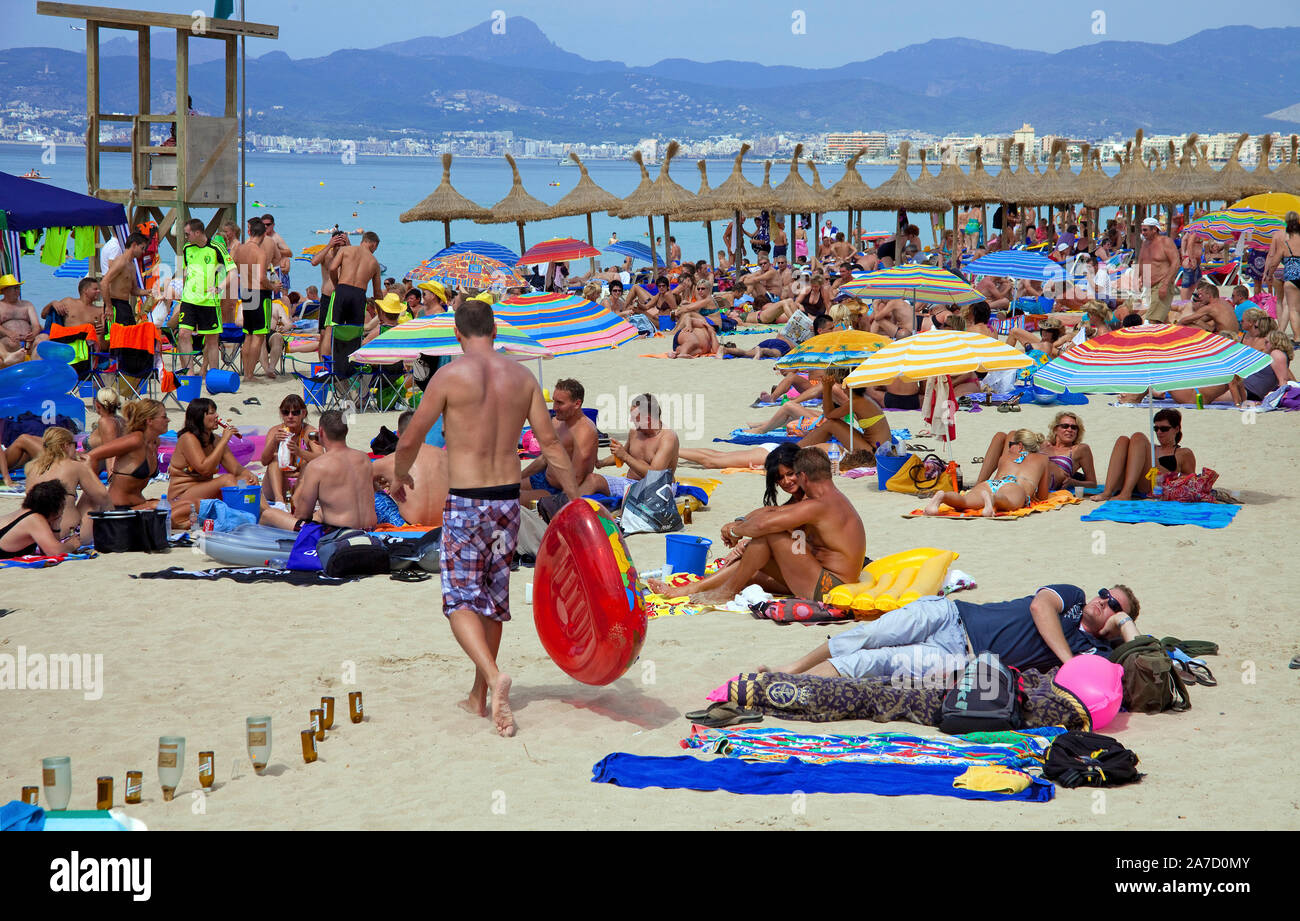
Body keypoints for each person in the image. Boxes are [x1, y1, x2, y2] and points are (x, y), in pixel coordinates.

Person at [391, 298, 581, 737]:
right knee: (493, 600)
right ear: (495, 330)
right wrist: (572, 500)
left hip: (467, 504)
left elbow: (410, 440)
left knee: (459, 599)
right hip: (507, 504)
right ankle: (479, 695)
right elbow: (551, 446)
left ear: (457, 334)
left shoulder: (448, 377)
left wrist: (400, 479)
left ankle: (495, 679)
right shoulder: (522, 377)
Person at [761, 583, 1139, 681]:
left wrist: (1124, 626)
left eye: (1114, 606)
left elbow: (1138, 658)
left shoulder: (1096, 652)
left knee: (875, 662)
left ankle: (795, 685)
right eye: (1105, 594)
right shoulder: (1071, 598)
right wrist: (1066, 659)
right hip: (950, 614)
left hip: (959, 659)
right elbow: (1040, 607)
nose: (1103, 601)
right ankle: (791, 670)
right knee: (866, 634)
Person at [648, 448, 866, 604]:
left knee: (768, 536)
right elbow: (772, 513)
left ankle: (727, 591)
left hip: (829, 587)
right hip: (821, 576)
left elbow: (764, 524)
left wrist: (734, 531)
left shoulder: (817, 505)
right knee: (750, 570)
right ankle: (690, 589)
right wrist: (740, 524)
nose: (788, 481)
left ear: (803, 476)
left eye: (792, 474)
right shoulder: (829, 498)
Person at [260, 410, 376, 532]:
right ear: (346, 431)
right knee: (321, 513)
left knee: (269, 514)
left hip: (337, 533)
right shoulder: (364, 458)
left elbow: (303, 514)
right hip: (369, 529)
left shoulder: (318, 465)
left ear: (320, 432)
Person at [85, 399, 188, 524]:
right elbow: (92, 456)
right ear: (149, 421)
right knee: (171, 509)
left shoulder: (155, 442)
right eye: (164, 417)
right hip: (117, 509)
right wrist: (97, 494)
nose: (168, 420)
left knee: (189, 504)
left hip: (139, 505)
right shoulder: (135, 440)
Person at [925, 428, 1052, 516]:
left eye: (1010, 444)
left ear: (1019, 446)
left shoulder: (1006, 456)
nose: (1008, 447)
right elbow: (1043, 496)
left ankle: (942, 496)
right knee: (1009, 502)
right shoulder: (1043, 458)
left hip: (992, 483)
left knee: (965, 502)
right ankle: (993, 499)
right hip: (1014, 486)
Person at [167, 398, 258, 517]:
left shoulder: (215, 440)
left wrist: (250, 476)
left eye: (216, 412)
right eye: (212, 413)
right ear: (199, 416)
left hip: (205, 490)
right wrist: (225, 440)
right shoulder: (188, 438)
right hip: (182, 495)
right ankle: (244, 516)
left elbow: (236, 469)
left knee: (245, 482)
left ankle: (262, 512)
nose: (217, 416)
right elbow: (204, 469)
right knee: (227, 479)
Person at [21, 427, 107, 547]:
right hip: (68, 537)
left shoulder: (32, 468)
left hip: (37, 538)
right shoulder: (74, 466)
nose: (77, 449)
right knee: (91, 496)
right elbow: (103, 496)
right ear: (66, 446)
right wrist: (88, 469)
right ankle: (112, 526)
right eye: (75, 444)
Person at [519, 378, 598, 503]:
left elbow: (577, 478)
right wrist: (518, 477)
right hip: (543, 478)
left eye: (560, 403)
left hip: (558, 490)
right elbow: (545, 458)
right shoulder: (557, 422)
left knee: (512, 499)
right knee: (502, 489)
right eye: (554, 401)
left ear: (577, 404)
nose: (554, 408)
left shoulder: (585, 432)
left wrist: (557, 502)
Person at [590, 393, 680, 502]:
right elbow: (622, 455)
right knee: (592, 480)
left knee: (633, 498)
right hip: (630, 484)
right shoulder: (634, 432)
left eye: (635, 418)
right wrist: (600, 463)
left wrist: (625, 456)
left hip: (658, 489)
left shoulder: (667, 438)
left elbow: (655, 477)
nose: (631, 421)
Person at [976, 412, 1096, 492]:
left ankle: (999, 482)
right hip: (1027, 469)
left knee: (1040, 459)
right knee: (1002, 436)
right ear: (1055, 429)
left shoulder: (1079, 449)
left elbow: (1092, 483)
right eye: (1065, 426)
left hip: (1047, 478)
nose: (1069, 430)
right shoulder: (1044, 444)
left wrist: (1073, 482)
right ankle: (979, 484)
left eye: (1074, 427)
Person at [1092, 409, 1195, 501]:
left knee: (1138, 437)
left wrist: (1171, 476)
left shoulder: (1183, 453)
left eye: (1164, 429)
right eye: (1156, 429)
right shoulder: (1151, 447)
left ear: (1176, 429)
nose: (1159, 432)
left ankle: (1125, 493)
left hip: (1156, 488)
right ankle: (1107, 492)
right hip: (1134, 484)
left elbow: (1191, 482)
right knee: (1122, 440)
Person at [369, 409, 449, 527]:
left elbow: (359, 481)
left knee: (370, 490)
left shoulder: (389, 461)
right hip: (443, 524)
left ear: (398, 435)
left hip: (407, 526)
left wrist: (379, 486)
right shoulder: (446, 457)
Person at [177, 218, 228, 377]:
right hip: (189, 300)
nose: (186, 237)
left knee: (212, 340)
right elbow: (185, 272)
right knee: (183, 334)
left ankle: (213, 376)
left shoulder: (216, 247)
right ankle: (190, 373)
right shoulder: (187, 248)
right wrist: (182, 294)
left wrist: (220, 287)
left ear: (197, 233)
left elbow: (232, 272)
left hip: (209, 302)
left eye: (188, 234)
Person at [231, 217, 281, 380]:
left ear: (250, 232)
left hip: (246, 292)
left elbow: (234, 268)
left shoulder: (240, 249)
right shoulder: (260, 252)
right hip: (259, 293)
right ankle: (250, 375)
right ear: (264, 234)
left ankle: (247, 373)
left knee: (248, 335)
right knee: (258, 337)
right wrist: (273, 286)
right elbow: (261, 278)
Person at [327, 230, 383, 375]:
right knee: (355, 333)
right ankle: (350, 369)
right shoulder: (374, 262)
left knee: (337, 329)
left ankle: (337, 368)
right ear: (373, 244)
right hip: (359, 294)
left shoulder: (346, 250)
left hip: (342, 290)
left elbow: (332, 268)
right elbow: (377, 292)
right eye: (376, 248)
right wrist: (380, 313)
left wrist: (336, 285)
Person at [259, 394, 321, 508]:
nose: (290, 416)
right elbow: (264, 461)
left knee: (308, 463)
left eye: (295, 412)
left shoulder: (309, 432)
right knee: (274, 458)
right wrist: (273, 442)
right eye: (286, 412)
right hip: (279, 488)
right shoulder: (275, 431)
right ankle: (279, 502)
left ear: (304, 413)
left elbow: (322, 458)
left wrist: (299, 452)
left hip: (300, 488)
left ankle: (294, 502)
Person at [0, 481, 72, 559]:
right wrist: (72, 545)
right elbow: (53, 552)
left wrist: (56, 526)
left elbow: (46, 549)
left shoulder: (26, 511)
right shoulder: (34, 519)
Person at [1262, 210, 1300, 339]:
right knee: (1292, 305)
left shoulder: (1279, 235)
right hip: (1296, 274)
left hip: (1284, 271)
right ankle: (1283, 331)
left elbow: (1272, 256)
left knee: (1282, 302)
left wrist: (1267, 273)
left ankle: (1284, 331)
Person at [101, 232, 150, 330]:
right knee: (117, 339)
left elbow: (134, 290)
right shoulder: (120, 262)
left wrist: (150, 292)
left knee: (131, 337)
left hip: (125, 305)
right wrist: (109, 307)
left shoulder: (132, 265)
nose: (143, 252)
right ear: (134, 245)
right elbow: (104, 282)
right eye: (142, 248)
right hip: (115, 305)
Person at [311, 229, 348, 358]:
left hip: (342, 298)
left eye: (341, 244)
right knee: (323, 333)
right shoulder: (327, 255)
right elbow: (314, 262)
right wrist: (329, 246)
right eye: (337, 244)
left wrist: (348, 245)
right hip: (327, 296)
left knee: (340, 333)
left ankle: (337, 360)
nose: (339, 247)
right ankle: (322, 363)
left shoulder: (348, 256)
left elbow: (359, 261)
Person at [1137, 216, 1179, 323]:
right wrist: (1139, 278)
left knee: (1153, 320)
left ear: (1154, 229)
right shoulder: (1145, 243)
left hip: (1161, 283)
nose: (1143, 232)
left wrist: (1165, 284)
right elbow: (1141, 261)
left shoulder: (1165, 242)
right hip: (1147, 286)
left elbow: (1176, 262)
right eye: (1142, 230)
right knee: (1161, 319)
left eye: (1145, 230)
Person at [0, 274, 46, 367]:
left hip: (29, 341)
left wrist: (33, 334)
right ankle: (13, 359)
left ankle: (35, 366)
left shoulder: (27, 305)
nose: (18, 291)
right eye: (15, 288)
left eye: (18, 288)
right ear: (5, 290)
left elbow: (36, 324)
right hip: (10, 341)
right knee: (11, 343)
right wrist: (9, 333)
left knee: (43, 338)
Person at [83, 388, 124, 476]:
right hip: (98, 463)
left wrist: (111, 479)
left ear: (97, 404)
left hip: (94, 467)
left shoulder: (106, 422)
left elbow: (111, 452)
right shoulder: (121, 420)